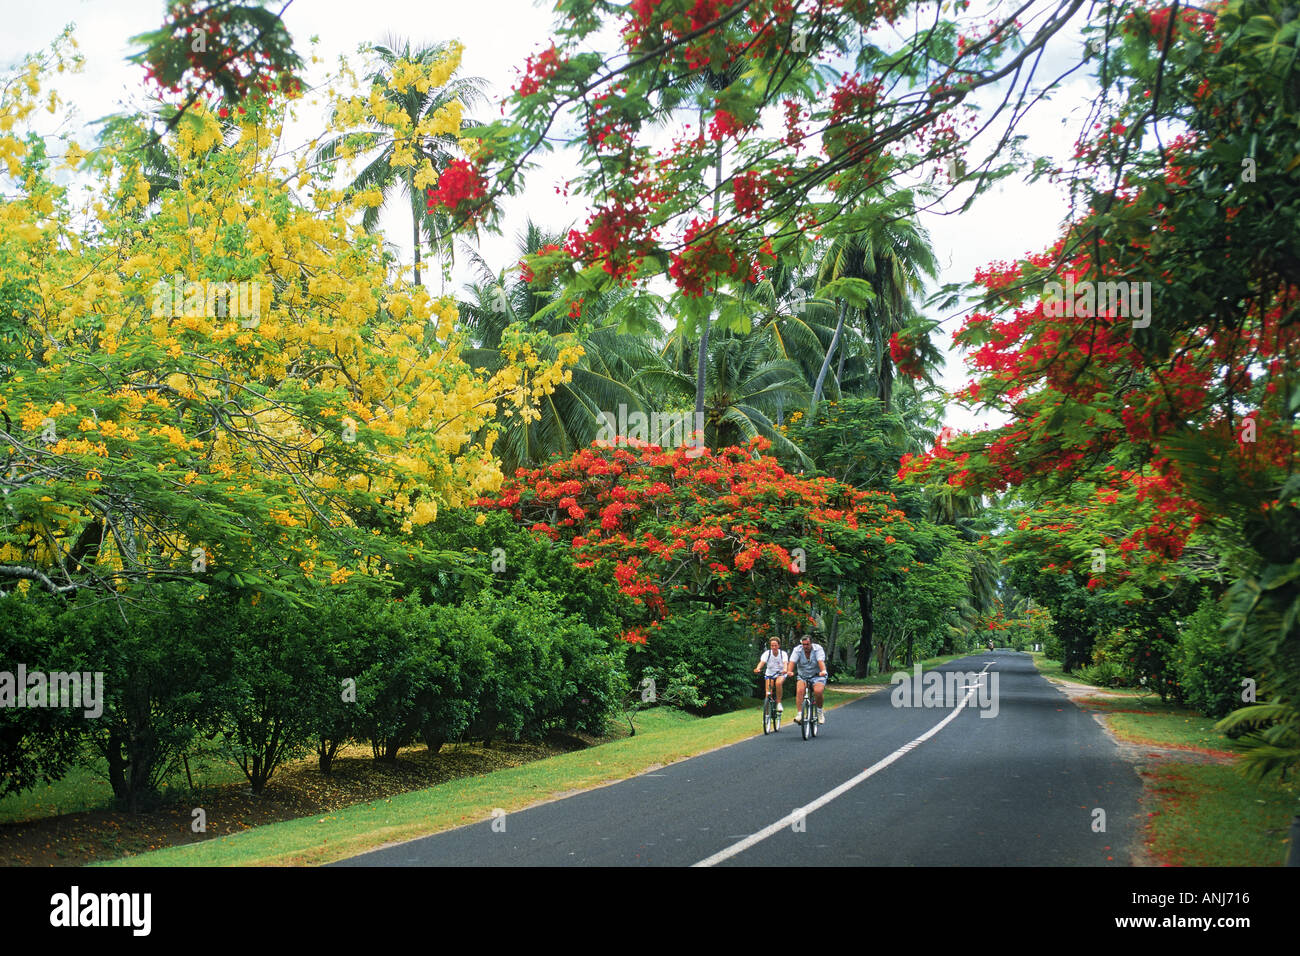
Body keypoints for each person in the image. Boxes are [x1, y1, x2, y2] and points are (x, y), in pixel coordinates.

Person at [787, 631, 828, 724]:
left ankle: (820, 712)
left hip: (817, 676)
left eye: (807, 644)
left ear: (811, 643)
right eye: (804, 644)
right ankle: (799, 714)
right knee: (800, 690)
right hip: (803, 676)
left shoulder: (818, 649)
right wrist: (789, 671)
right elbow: (792, 662)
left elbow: (820, 661)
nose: (805, 646)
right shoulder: (797, 650)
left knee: (818, 691)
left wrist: (823, 671)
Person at [754, 637, 788, 713]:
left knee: (778, 683)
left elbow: (785, 663)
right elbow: (762, 662)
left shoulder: (783, 654)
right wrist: (758, 668)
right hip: (770, 674)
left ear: (779, 645)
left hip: (780, 673)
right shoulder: (767, 653)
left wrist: (785, 670)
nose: (774, 647)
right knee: (768, 693)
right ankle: (766, 715)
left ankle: (779, 703)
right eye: (772, 645)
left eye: (775, 645)